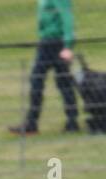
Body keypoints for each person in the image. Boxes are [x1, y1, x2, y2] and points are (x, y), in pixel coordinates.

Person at [10, 0, 79, 135]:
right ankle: (34, 123)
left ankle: (69, 122)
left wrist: (68, 46)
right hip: (45, 41)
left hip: (55, 42)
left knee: (58, 82)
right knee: (49, 82)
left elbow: (67, 17)